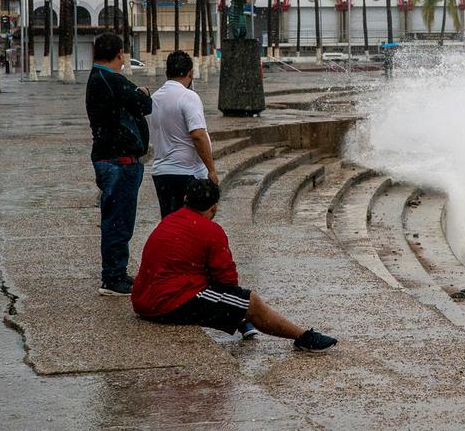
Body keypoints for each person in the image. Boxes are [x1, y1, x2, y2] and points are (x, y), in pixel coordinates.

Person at [132, 179, 338, 352]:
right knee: (250, 302)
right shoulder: (211, 230)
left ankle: (242, 322)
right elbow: (227, 281)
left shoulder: (169, 220)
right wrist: (240, 308)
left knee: (222, 294)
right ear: (214, 207)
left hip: (144, 299)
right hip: (167, 304)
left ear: (186, 199)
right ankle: (303, 337)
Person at [86, 32, 153, 296]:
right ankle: (113, 277)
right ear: (119, 54)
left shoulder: (98, 78)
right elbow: (145, 104)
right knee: (118, 222)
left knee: (116, 219)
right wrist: (143, 93)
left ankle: (116, 272)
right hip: (119, 163)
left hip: (111, 159)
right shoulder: (112, 79)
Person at [149, 51, 218, 219]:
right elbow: (198, 135)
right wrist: (211, 170)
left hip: (161, 173)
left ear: (167, 73)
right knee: (191, 223)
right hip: (187, 173)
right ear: (191, 73)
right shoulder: (188, 97)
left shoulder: (154, 99)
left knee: (170, 222)